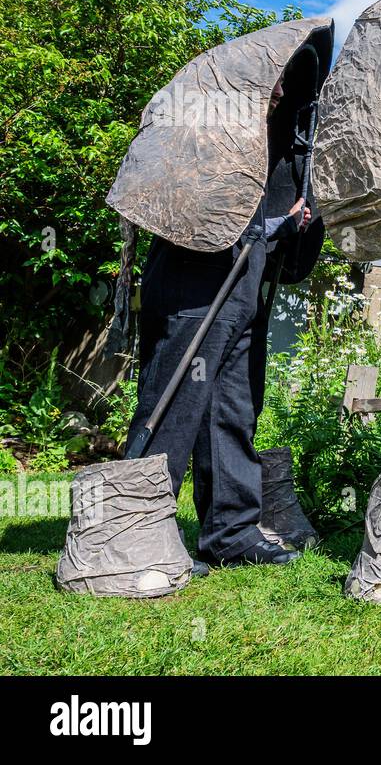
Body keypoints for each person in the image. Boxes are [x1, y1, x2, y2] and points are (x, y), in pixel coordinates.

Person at [127, 64, 321, 572]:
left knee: (232, 407)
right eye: (273, 79)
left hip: (242, 282)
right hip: (194, 278)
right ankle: (134, 528)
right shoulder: (204, 124)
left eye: (283, 82)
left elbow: (247, 217)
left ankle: (231, 532)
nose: (279, 91)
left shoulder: (263, 139)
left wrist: (282, 224)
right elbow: (192, 199)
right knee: (174, 402)